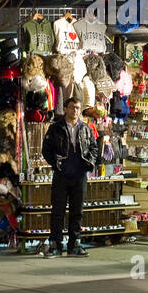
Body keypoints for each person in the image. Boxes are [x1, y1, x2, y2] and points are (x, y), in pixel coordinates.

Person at [41, 96, 99, 257]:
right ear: (65, 109)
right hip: (61, 175)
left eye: (78, 108)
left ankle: (75, 244)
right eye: (72, 107)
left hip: (79, 175)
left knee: (77, 211)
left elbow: (94, 148)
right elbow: (46, 149)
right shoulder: (56, 128)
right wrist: (56, 164)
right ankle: (55, 244)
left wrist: (89, 163)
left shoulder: (86, 128)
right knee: (58, 210)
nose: (75, 111)